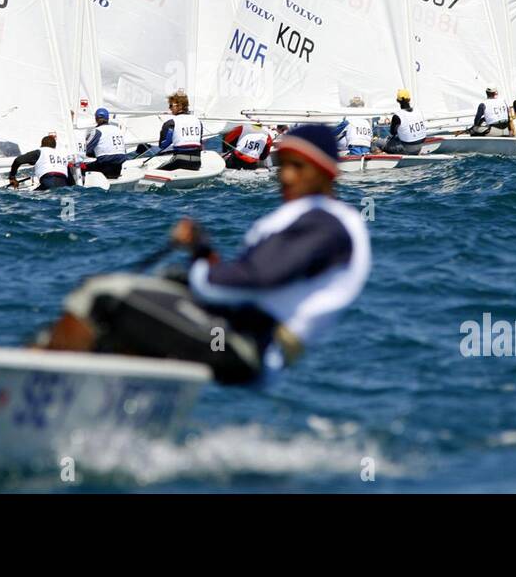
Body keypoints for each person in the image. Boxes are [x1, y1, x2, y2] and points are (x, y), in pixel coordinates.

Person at [37, 124, 370, 384]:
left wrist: (198, 272)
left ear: (326, 172)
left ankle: (32, 381)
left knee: (102, 294)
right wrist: (201, 249)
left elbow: (253, 279)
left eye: (299, 167)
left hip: (244, 346)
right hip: (236, 334)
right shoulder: (319, 219)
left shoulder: (325, 224)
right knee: (129, 311)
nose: (285, 175)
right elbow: (251, 278)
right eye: (283, 165)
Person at [155, 90, 204, 171]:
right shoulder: (198, 122)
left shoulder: (171, 123)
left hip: (179, 161)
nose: (169, 108)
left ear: (180, 106)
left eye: (171, 105)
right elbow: (199, 143)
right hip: (197, 162)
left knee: (156, 170)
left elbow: (163, 145)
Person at [9, 133, 77, 190]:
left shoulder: (40, 152)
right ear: (55, 146)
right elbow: (71, 181)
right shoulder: (63, 156)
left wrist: (12, 177)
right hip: (63, 185)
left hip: (48, 182)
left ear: (42, 145)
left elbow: (18, 160)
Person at [376, 89, 425, 154]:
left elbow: (392, 132)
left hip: (407, 148)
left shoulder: (397, 116)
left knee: (376, 142)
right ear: (409, 99)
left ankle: (381, 156)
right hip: (420, 146)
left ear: (397, 100)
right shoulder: (418, 111)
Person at [83, 108, 127, 178]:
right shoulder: (117, 129)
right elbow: (123, 150)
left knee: (82, 168)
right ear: (108, 118)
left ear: (96, 119)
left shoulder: (96, 131)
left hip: (105, 164)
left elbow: (86, 150)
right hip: (119, 164)